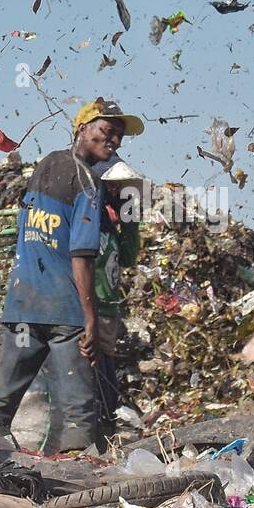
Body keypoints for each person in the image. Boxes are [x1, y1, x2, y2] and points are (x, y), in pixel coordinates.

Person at [0, 99, 144, 453]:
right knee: (78, 411)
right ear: (83, 129)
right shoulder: (88, 183)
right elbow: (82, 256)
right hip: (64, 313)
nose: (115, 141)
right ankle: (77, 473)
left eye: (119, 136)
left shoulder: (45, 165)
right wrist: (89, 319)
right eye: (108, 131)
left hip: (23, 304)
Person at [90, 155, 142, 418]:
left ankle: (107, 423)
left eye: (118, 187)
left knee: (105, 371)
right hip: (90, 310)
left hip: (108, 311)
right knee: (92, 376)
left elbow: (129, 256)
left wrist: (129, 215)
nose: (114, 191)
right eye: (109, 185)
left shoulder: (110, 228)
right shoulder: (86, 224)